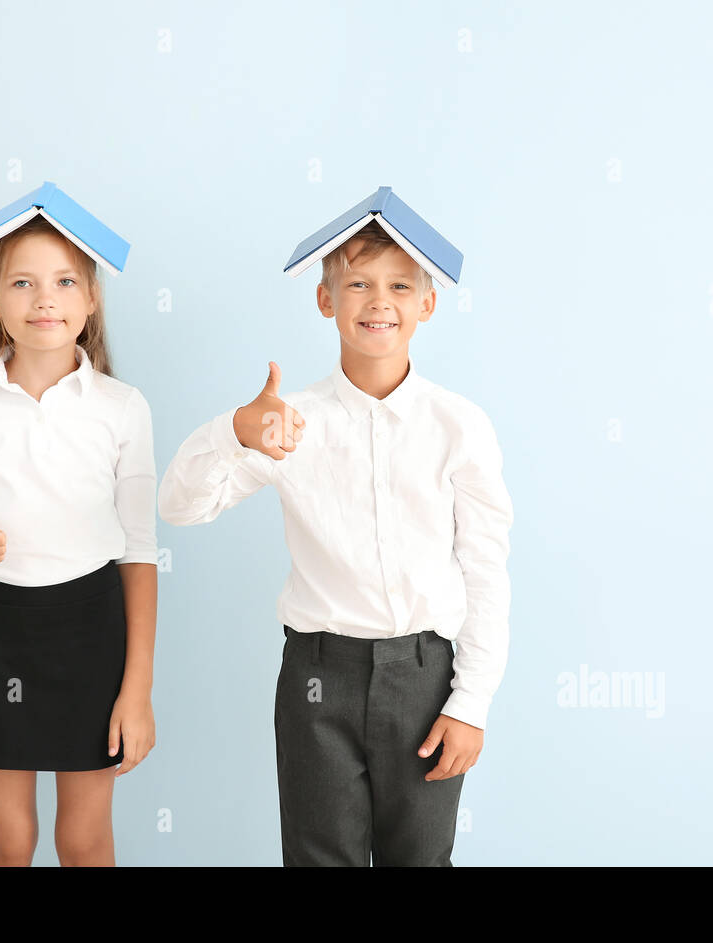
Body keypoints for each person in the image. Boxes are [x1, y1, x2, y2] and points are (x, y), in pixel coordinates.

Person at [157, 215, 514, 866]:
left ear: (427, 303)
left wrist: (472, 704)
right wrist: (235, 429)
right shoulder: (289, 424)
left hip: (426, 678)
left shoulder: (459, 426)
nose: (380, 302)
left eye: (401, 287)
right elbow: (179, 508)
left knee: (422, 859)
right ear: (326, 300)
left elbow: (486, 570)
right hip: (318, 678)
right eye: (358, 284)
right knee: (319, 858)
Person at [0, 213, 158, 866]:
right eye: (22, 282)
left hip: (92, 629)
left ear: (90, 299)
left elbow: (138, 552)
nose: (45, 298)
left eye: (64, 281)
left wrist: (136, 692)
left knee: (82, 839)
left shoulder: (122, 407)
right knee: (9, 838)